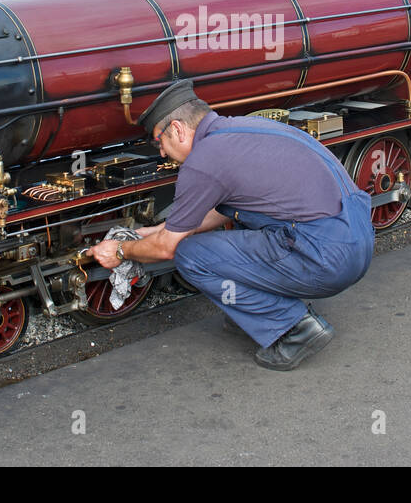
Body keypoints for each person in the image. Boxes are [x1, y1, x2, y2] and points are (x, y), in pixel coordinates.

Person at [86, 78, 376, 370]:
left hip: (327, 256)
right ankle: (254, 314)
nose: (161, 152)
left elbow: (165, 250)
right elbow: (231, 207)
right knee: (238, 222)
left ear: (177, 129)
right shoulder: (244, 129)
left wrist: (121, 251)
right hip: (358, 237)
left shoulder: (203, 161)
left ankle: (294, 329)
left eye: (158, 141)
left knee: (190, 256)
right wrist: (159, 230)